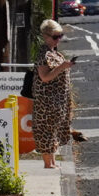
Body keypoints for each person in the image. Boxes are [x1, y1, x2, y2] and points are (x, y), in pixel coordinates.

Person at [32, 19, 75, 169]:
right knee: (46, 130)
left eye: (60, 36)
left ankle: (53, 161)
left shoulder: (53, 53)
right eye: (55, 36)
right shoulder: (43, 54)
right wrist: (63, 67)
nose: (59, 40)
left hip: (58, 99)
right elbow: (45, 77)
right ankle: (47, 163)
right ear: (46, 36)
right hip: (47, 101)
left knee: (55, 129)